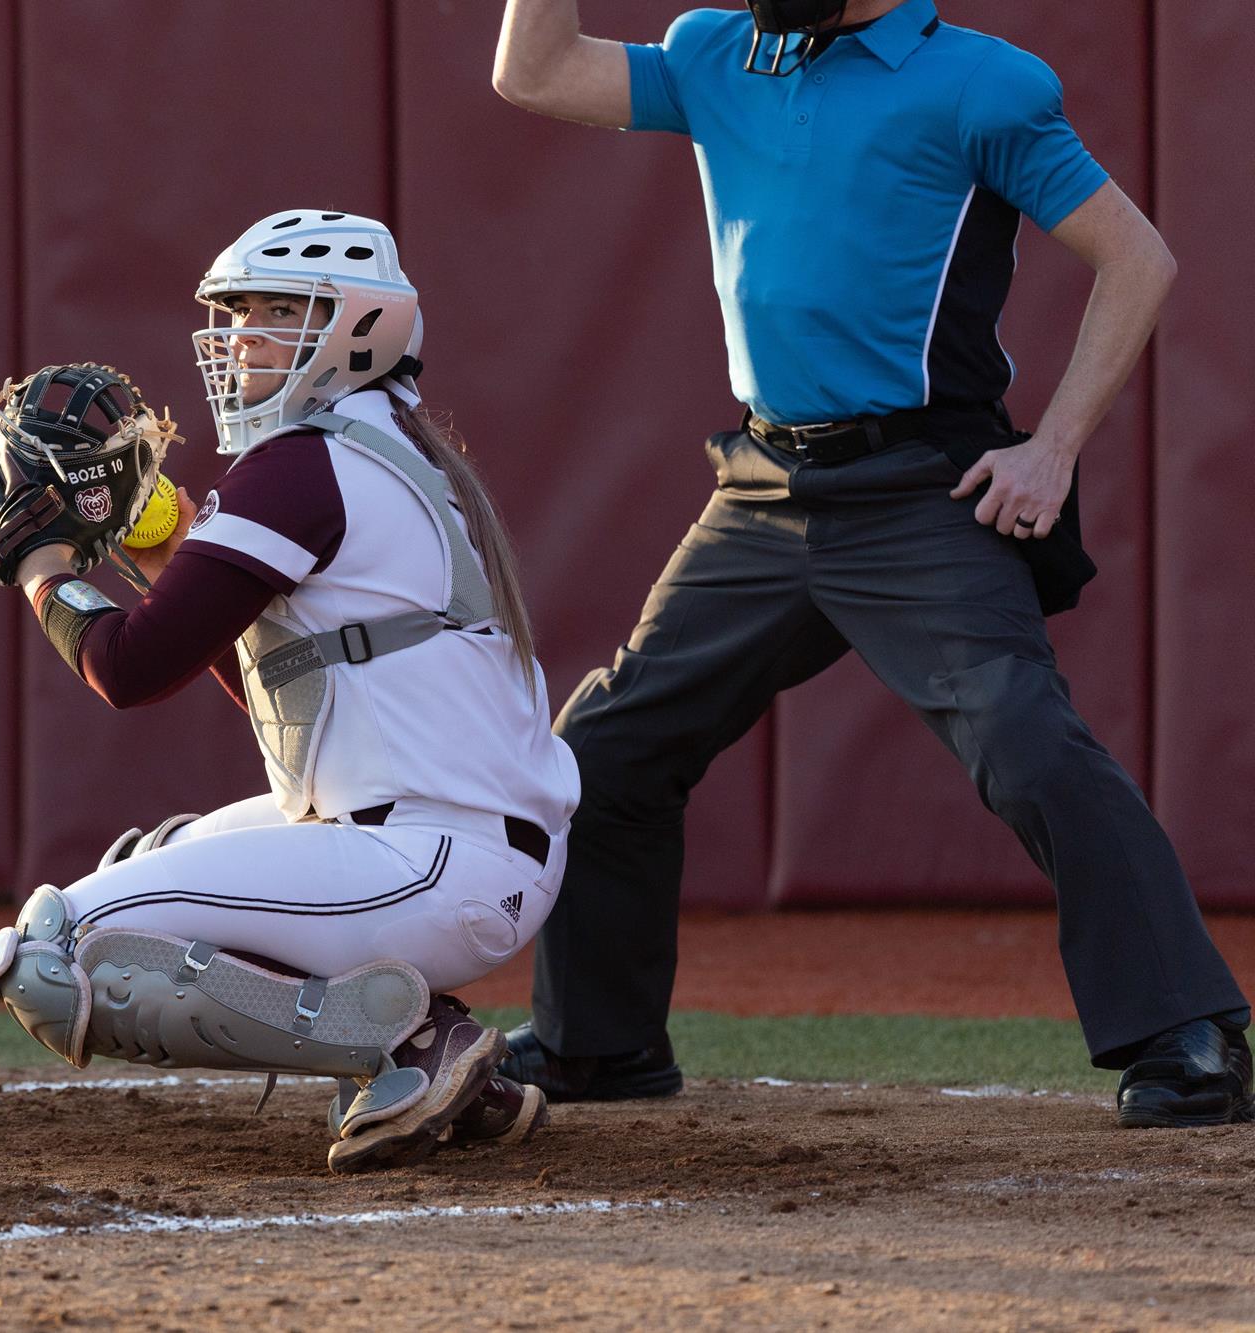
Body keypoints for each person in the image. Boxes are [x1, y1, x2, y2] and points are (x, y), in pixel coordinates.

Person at [490, 0, 1252, 1127]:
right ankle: (596, 1044)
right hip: (760, 489)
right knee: (601, 749)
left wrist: (1049, 448)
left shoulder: (981, 85)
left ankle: (1188, 1035)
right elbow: (533, 71)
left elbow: (1135, 258)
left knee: (1025, 742)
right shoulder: (715, 51)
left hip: (920, 490)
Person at [0, 210, 583, 1171]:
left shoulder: (305, 463)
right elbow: (273, 677)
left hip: (426, 854)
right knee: (161, 855)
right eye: (239, 313)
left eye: (273, 313)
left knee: (55, 954)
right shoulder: (384, 447)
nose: (240, 338)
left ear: (358, 327)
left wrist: (41, 567)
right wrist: (156, 539)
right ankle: (448, 1056)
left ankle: (414, 1045)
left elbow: (129, 667)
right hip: (449, 845)